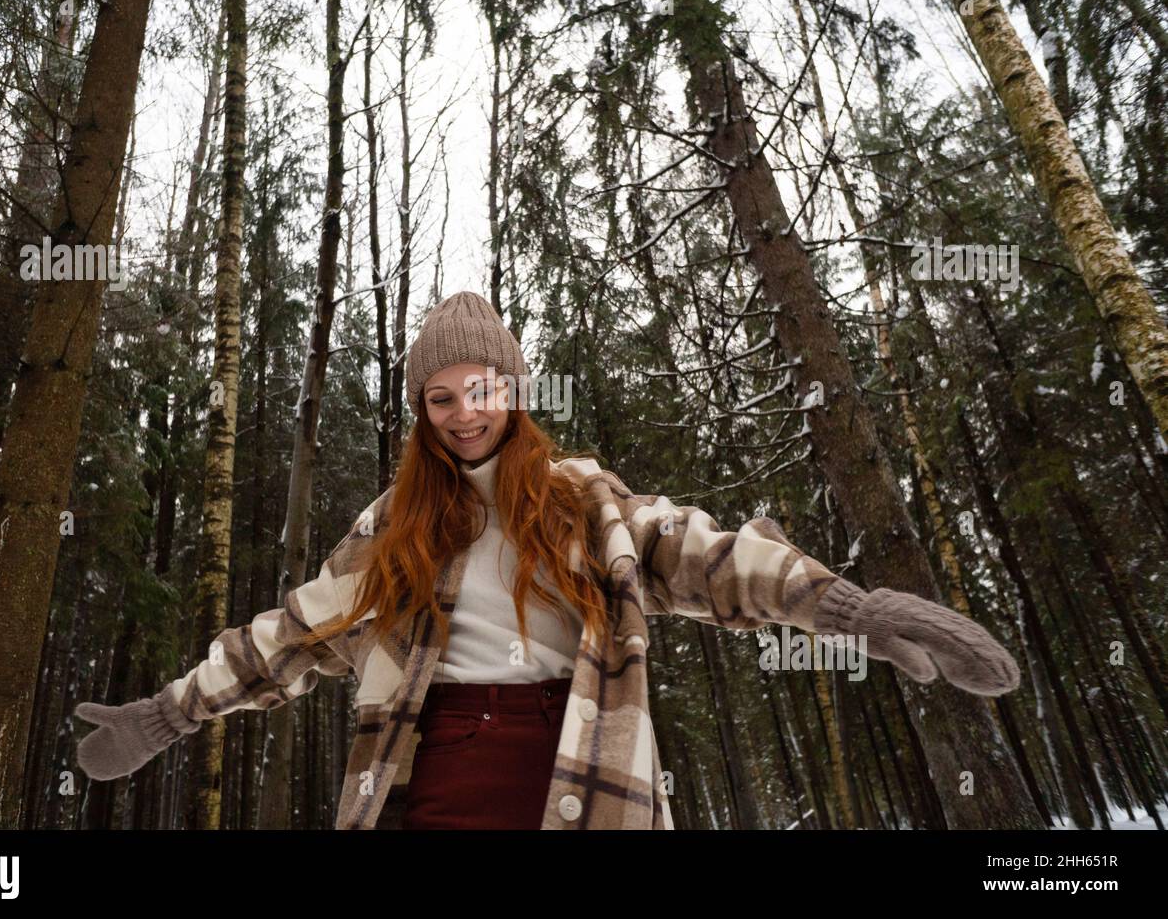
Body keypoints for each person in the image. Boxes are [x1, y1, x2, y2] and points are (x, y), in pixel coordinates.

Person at [74, 291, 1020, 829]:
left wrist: (850, 611)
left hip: (581, 756)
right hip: (435, 764)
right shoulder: (391, 523)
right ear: (422, 412)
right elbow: (293, 633)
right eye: (438, 398)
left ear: (514, 390)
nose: (462, 414)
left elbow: (713, 558)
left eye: (479, 389)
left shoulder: (583, 500)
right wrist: (166, 714)